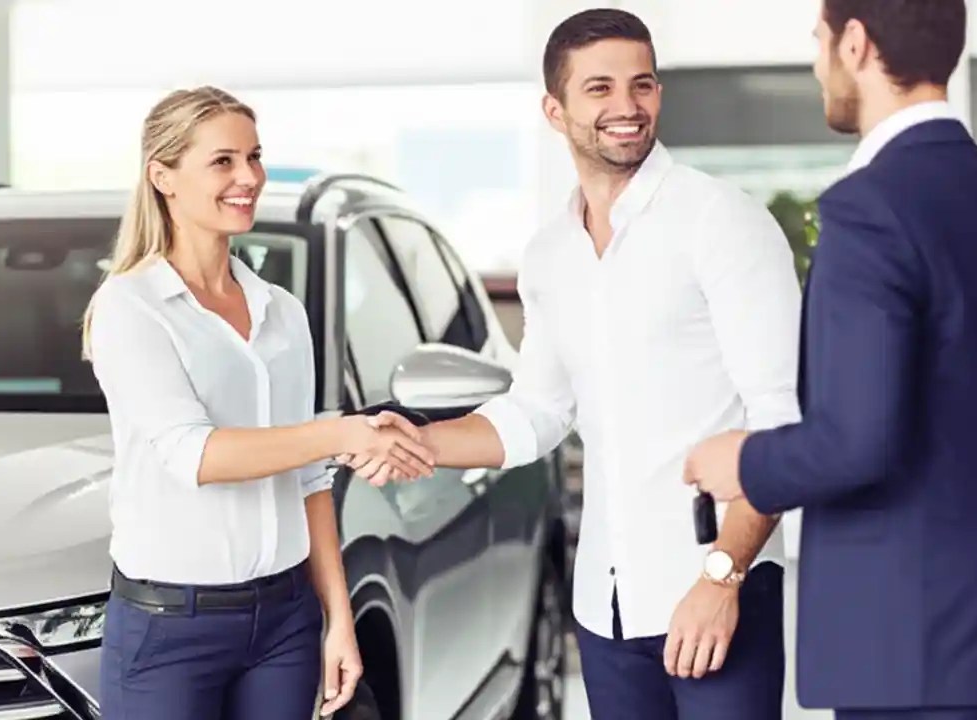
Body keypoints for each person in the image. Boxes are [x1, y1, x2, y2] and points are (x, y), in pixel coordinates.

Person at [342, 9, 801, 719]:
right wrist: (419, 443)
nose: (627, 106)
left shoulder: (721, 221)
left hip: (713, 592)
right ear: (554, 111)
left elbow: (780, 419)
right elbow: (538, 412)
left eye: (641, 84)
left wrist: (722, 577)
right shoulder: (551, 254)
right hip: (606, 607)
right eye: (600, 88)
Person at [684, 1, 977, 719]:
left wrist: (743, 460)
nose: (817, 66)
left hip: (914, 654)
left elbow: (859, 440)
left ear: (856, 44)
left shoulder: (868, 210)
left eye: (820, 42)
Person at [83, 87, 433, 720]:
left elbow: (309, 480)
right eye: (223, 161)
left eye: (254, 157)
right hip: (170, 629)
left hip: (284, 624)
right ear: (163, 176)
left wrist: (338, 619)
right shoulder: (130, 307)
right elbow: (195, 455)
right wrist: (343, 432)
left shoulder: (282, 313)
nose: (249, 177)